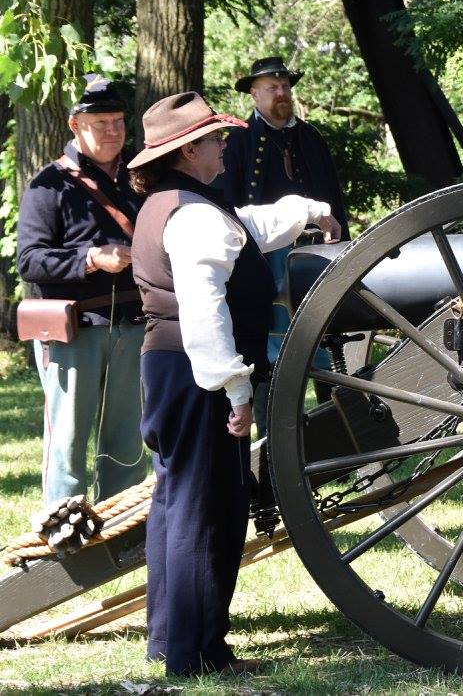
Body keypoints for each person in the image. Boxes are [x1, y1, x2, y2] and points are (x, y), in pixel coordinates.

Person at [129, 91, 338, 677]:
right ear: (189, 150)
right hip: (198, 372)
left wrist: (310, 210)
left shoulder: (180, 205)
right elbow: (204, 310)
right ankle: (197, 655)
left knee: (176, 504)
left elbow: (247, 228)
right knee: (210, 510)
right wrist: (236, 389)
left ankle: (172, 639)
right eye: (216, 139)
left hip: (172, 368)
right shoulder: (192, 215)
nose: (225, 145)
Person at [17, 75, 146, 504]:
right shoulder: (48, 185)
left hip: (133, 324)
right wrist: (90, 259)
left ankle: (121, 528)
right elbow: (30, 261)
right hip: (75, 331)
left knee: (127, 440)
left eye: (118, 121)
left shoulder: (143, 177)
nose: (113, 131)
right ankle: (64, 526)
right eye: (101, 122)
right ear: (76, 125)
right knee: (68, 440)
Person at [220, 55, 346, 414]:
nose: (282, 93)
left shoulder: (310, 137)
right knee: (270, 346)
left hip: (316, 252)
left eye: (285, 86)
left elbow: (333, 197)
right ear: (254, 95)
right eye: (272, 88)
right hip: (266, 259)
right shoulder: (240, 142)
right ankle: (273, 440)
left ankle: (337, 425)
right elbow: (230, 207)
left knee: (324, 335)